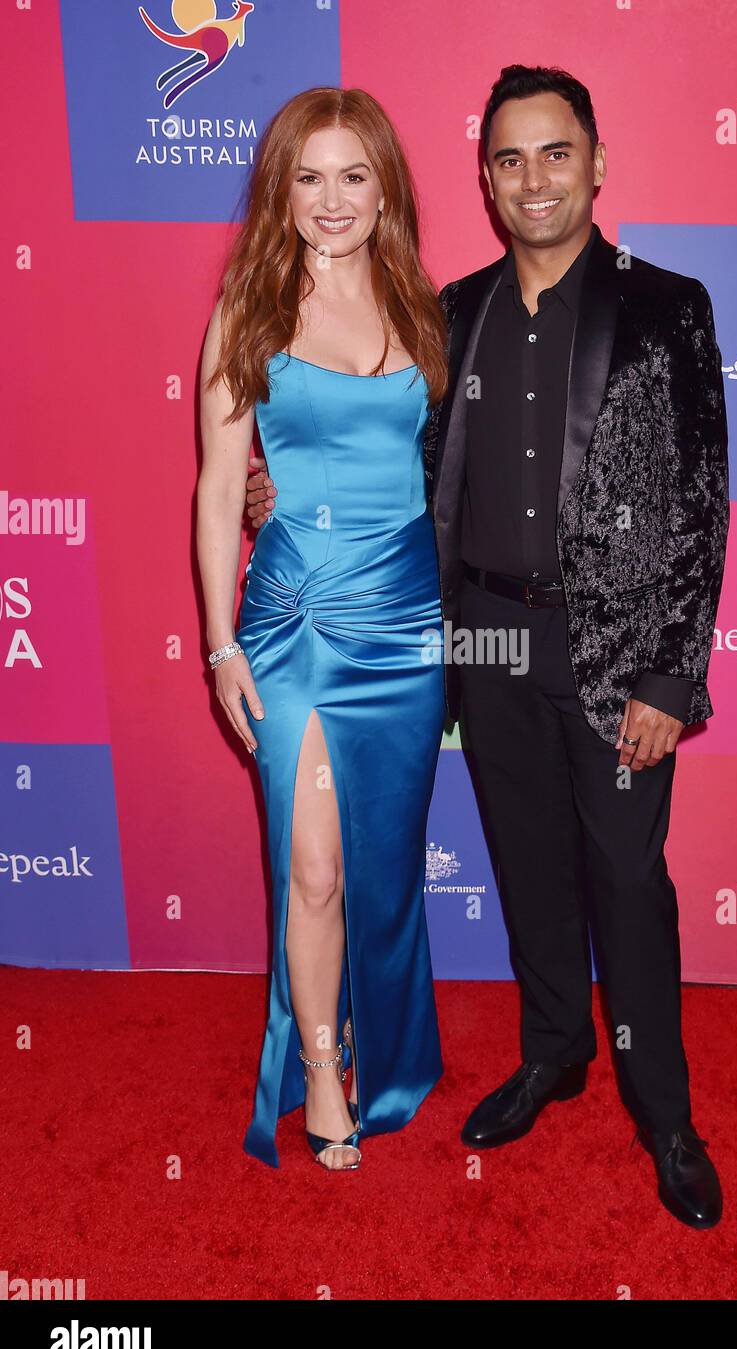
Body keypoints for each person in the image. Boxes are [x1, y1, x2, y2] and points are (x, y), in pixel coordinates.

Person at [246, 65, 730, 1228]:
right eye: (509, 159)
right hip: (481, 641)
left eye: (555, 153)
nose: (534, 180)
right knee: (524, 864)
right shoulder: (445, 311)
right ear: (485, 179)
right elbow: (398, 470)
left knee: (626, 879)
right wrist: (281, 491)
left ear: (596, 163)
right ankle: (555, 1053)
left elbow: (703, 502)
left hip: (617, 660)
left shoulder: (666, 305)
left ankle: (664, 1114)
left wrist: (672, 672)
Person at [197, 87, 449, 1171]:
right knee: (311, 867)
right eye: (310, 176)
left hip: (404, 621)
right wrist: (220, 646)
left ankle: (380, 1036)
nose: (333, 199)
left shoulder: (426, 304)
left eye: (354, 174)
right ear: (280, 189)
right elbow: (216, 493)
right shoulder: (245, 310)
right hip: (293, 615)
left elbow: (447, 469)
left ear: (384, 182)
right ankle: (321, 1068)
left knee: (380, 861)